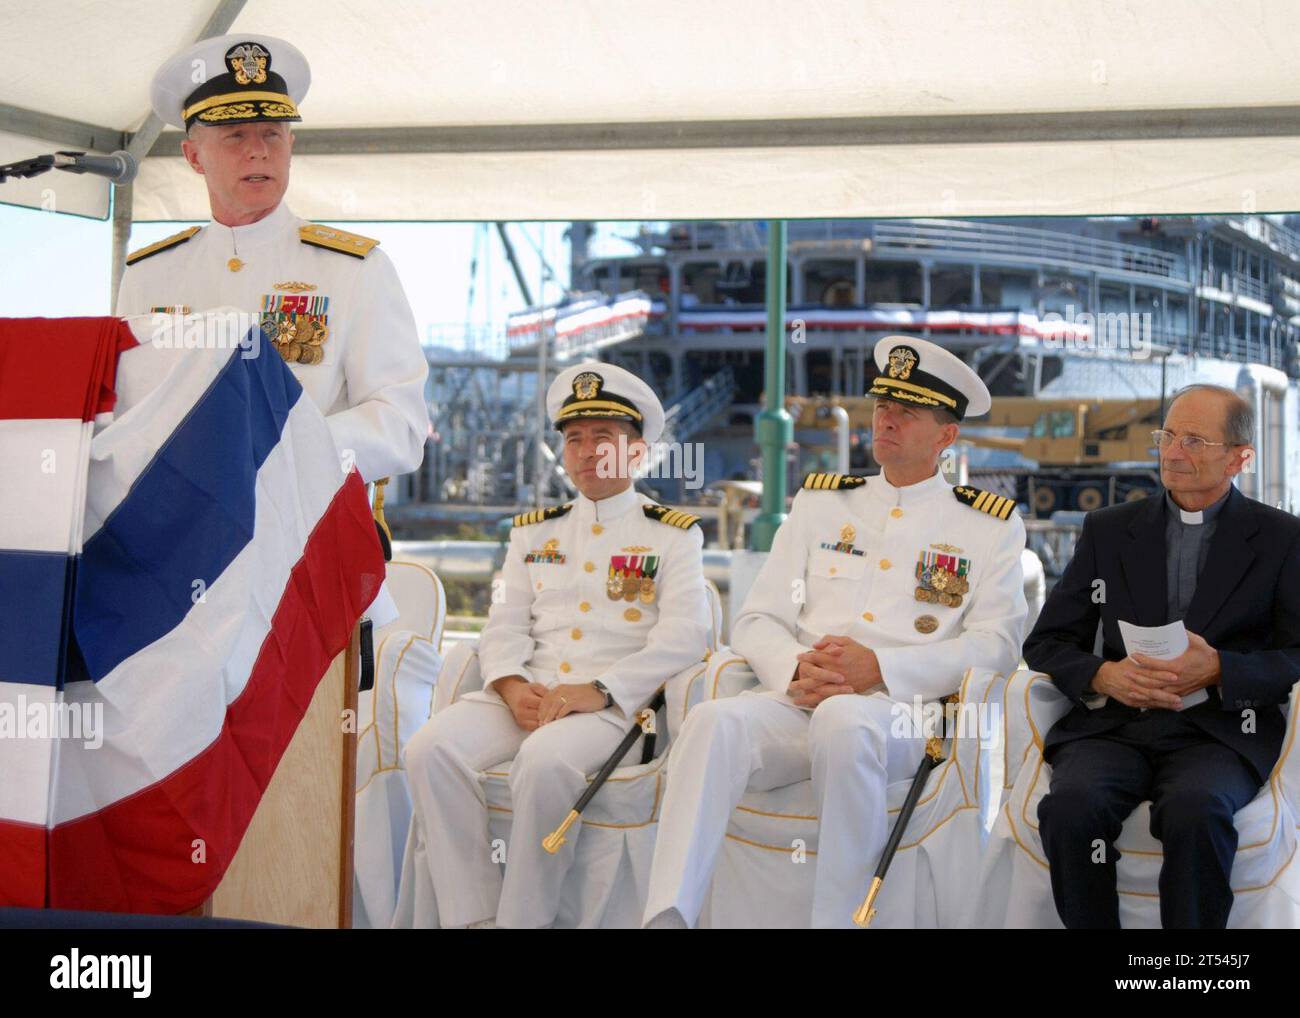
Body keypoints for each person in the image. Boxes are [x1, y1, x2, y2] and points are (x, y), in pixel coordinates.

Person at [644, 336, 1027, 928]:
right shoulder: (822, 505)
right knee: (711, 722)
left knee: (846, 721)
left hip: (902, 716)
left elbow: (997, 645)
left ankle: (843, 922)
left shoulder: (987, 526)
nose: (887, 420)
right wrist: (797, 666)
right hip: (801, 698)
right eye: (883, 406)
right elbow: (757, 618)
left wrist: (880, 668)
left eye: (908, 412)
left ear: (946, 435)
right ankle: (668, 916)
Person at [395, 362, 712, 928]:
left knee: (543, 762)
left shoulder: (672, 535)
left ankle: (525, 920)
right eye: (574, 439)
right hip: (530, 695)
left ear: (637, 451)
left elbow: (688, 636)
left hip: (611, 711)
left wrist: (599, 690)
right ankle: (473, 916)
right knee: (428, 750)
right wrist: (510, 685)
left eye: (603, 438)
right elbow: (505, 623)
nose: (587, 452)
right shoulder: (532, 533)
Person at [1024, 383, 1300, 929]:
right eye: (1167, 436)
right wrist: (1104, 675)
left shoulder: (1282, 538)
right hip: (1115, 727)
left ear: (1239, 458)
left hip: (1219, 732)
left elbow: (1296, 653)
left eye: (1194, 440)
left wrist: (1221, 668)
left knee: (1196, 813)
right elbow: (1046, 642)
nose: (1172, 453)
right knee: (1071, 809)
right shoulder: (1108, 530)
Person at [115, 34, 428, 483]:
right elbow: (125, 414)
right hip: (183, 518)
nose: (258, 150)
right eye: (235, 135)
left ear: (290, 146)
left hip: (307, 516)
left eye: (271, 134)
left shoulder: (356, 269)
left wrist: (281, 451)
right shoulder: (149, 274)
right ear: (194, 156)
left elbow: (401, 425)